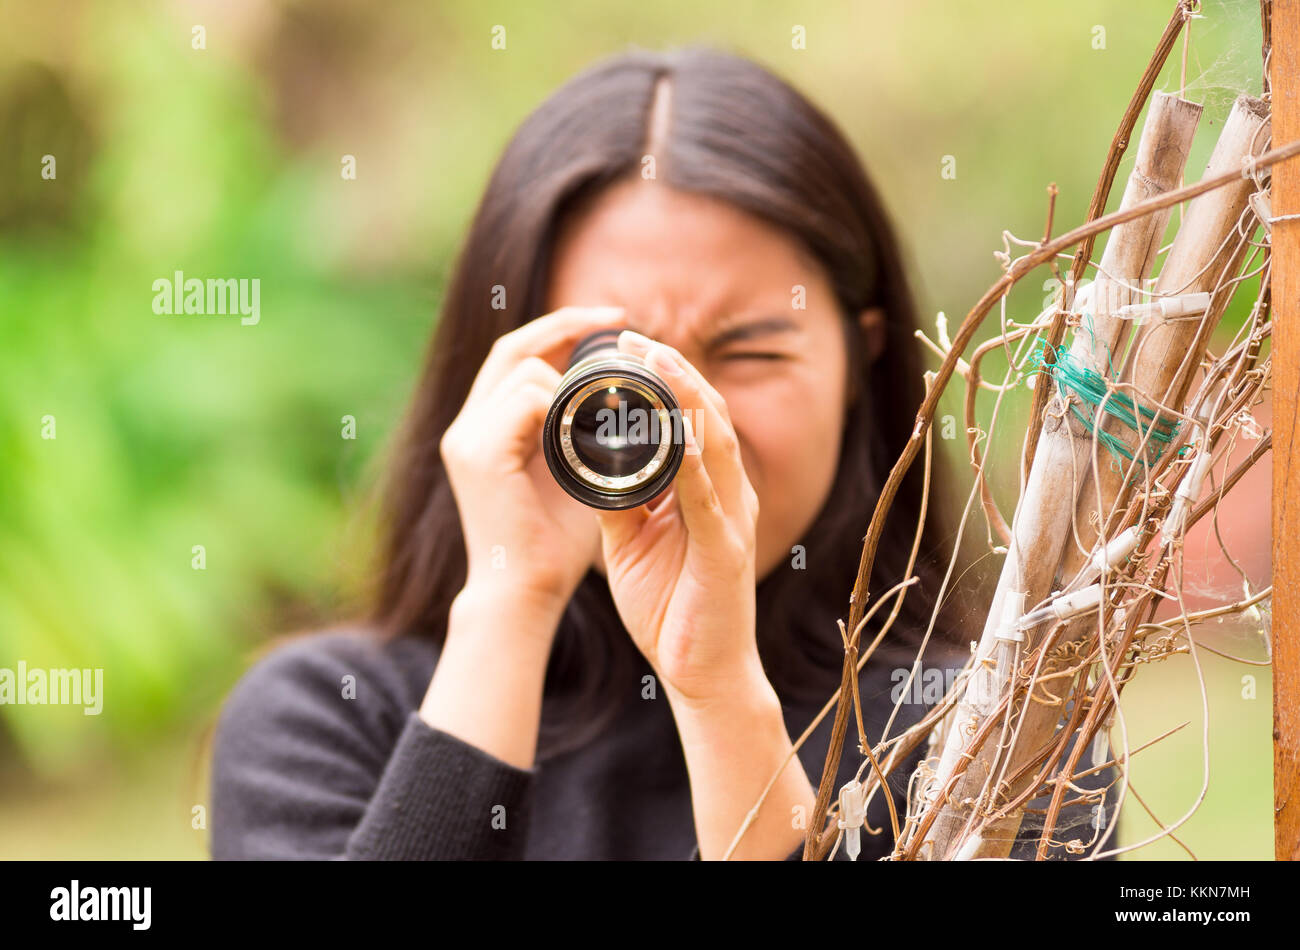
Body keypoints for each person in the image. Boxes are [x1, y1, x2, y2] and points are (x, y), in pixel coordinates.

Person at [209, 46, 1119, 861]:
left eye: (754, 352)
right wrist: (509, 602)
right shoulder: (327, 721)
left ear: (860, 361)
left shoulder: (998, 729)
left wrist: (718, 689)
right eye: (610, 367)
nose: (691, 416)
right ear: (503, 378)